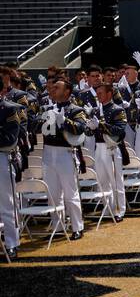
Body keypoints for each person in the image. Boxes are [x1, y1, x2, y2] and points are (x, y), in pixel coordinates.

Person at [39, 77, 89, 239]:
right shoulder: (48, 107)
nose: (53, 90)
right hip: (48, 152)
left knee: (70, 192)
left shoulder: (76, 110)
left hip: (65, 152)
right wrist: (44, 118)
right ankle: (57, 226)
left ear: (67, 91)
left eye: (57, 88)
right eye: (52, 87)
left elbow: (81, 128)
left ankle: (77, 227)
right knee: (53, 194)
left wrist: (64, 121)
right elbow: (38, 128)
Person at [86, 81, 128, 222]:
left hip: (112, 147)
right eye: (97, 94)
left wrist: (101, 125)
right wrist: (90, 127)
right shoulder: (95, 111)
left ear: (109, 94)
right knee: (102, 180)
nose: (98, 96)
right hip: (98, 147)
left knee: (116, 181)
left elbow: (120, 131)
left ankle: (119, 210)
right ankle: (107, 208)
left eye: (100, 93)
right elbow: (89, 132)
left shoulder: (118, 110)